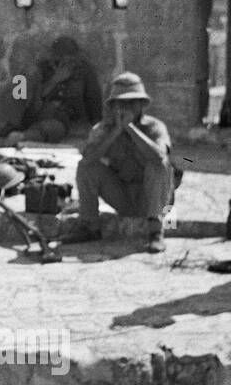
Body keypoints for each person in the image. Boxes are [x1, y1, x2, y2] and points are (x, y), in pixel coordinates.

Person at [64, 72, 174, 253]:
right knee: (86, 167)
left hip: (151, 198)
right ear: (113, 106)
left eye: (132, 103)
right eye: (121, 103)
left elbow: (159, 156)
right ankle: (90, 226)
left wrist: (130, 129)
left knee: (161, 165)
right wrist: (116, 131)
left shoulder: (155, 127)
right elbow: (88, 159)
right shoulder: (103, 129)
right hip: (122, 195)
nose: (126, 108)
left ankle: (155, 232)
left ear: (141, 105)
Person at [0, 36, 104, 144]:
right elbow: (36, 95)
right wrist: (55, 80)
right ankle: (9, 123)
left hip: (59, 117)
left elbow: (93, 102)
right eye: (59, 58)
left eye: (69, 59)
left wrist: (97, 128)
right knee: (21, 79)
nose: (63, 62)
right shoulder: (42, 68)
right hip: (35, 110)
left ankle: (22, 136)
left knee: (53, 129)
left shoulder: (85, 72)